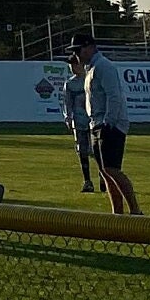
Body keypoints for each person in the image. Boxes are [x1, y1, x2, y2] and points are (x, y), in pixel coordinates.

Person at [75, 32, 141, 215]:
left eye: (78, 50)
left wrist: (109, 123)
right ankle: (117, 212)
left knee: (112, 169)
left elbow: (114, 96)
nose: (76, 55)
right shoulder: (90, 69)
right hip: (96, 124)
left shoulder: (104, 67)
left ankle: (135, 210)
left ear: (89, 47)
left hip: (109, 125)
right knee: (105, 171)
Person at [57, 48, 96, 192]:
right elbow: (67, 102)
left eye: (75, 64)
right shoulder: (70, 84)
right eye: (71, 66)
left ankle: (104, 178)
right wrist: (68, 117)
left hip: (93, 121)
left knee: (97, 151)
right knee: (82, 150)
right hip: (79, 121)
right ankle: (87, 181)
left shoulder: (90, 79)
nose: (73, 68)